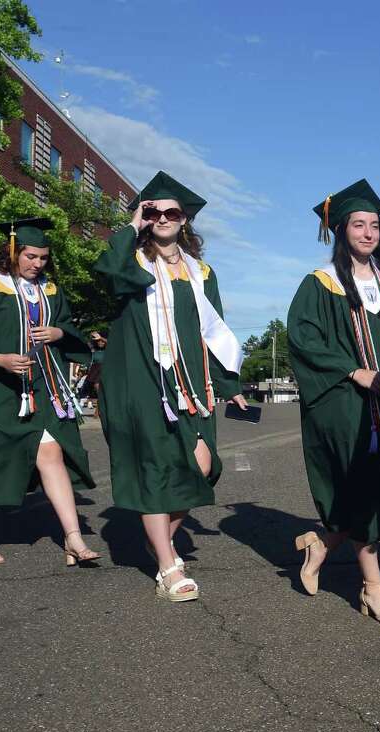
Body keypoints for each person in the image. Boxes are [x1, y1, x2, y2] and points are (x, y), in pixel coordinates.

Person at [93, 171, 246, 602]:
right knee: (158, 468)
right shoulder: (133, 264)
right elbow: (107, 270)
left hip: (192, 383)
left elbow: (213, 328)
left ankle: (155, 537)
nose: (162, 216)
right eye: (153, 211)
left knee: (202, 466)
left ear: (185, 220)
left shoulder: (201, 272)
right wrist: (131, 227)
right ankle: (166, 565)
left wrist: (228, 381)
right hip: (142, 382)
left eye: (171, 212)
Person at [287, 179, 380, 624]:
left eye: (375, 225)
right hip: (343, 401)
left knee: (375, 490)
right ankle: (374, 590)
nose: (368, 233)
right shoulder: (320, 283)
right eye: (358, 225)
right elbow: (302, 339)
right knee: (362, 488)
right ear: (340, 231)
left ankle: (320, 544)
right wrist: (357, 372)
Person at [0, 218, 100, 567]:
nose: (37, 264)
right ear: (12, 251)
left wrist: (59, 334)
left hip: (42, 386)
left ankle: (73, 537)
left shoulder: (50, 289)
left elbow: (70, 327)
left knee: (52, 452)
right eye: (30, 256)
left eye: (43, 257)